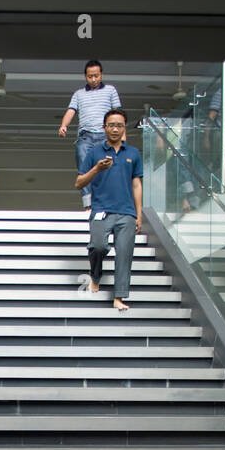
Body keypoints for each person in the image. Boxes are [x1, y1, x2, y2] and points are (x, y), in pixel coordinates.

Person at [75, 108, 143, 311]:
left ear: (124, 128)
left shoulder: (133, 153)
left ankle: (119, 297)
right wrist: (97, 168)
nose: (115, 129)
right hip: (100, 210)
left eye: (119, 125)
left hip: (127, 213)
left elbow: (136, 184)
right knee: (98, 246)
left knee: (124, 254)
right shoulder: (94, 153)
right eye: (111, 125)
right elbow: (79, 183)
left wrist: (139, 215)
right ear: (104, 128)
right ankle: (95, 275)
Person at [59, 60, 121, 211]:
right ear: (85, 77)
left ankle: (106, 201)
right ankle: (88, 204)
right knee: (83, 162)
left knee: (108, 169)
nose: (93, 79)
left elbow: (117, 113)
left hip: (105, 136)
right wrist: (63, 125)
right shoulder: (78, 94)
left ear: (101, 75)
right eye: (90, 76)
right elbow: (71, 110)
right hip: (85, 136)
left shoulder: (111, 90)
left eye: (96, 76)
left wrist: (121, 136)